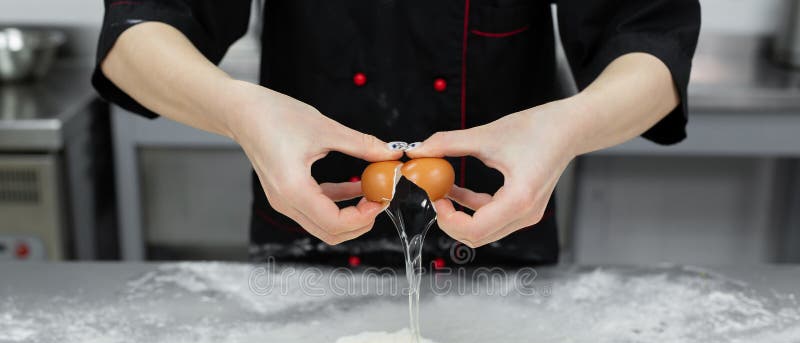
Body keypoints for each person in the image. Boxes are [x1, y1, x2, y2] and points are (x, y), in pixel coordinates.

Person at [94, 0, 701, 266]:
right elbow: (136, 34)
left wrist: (567, 126)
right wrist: (237, 109)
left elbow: (648, 36)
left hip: (498, 240)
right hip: (306, 250)